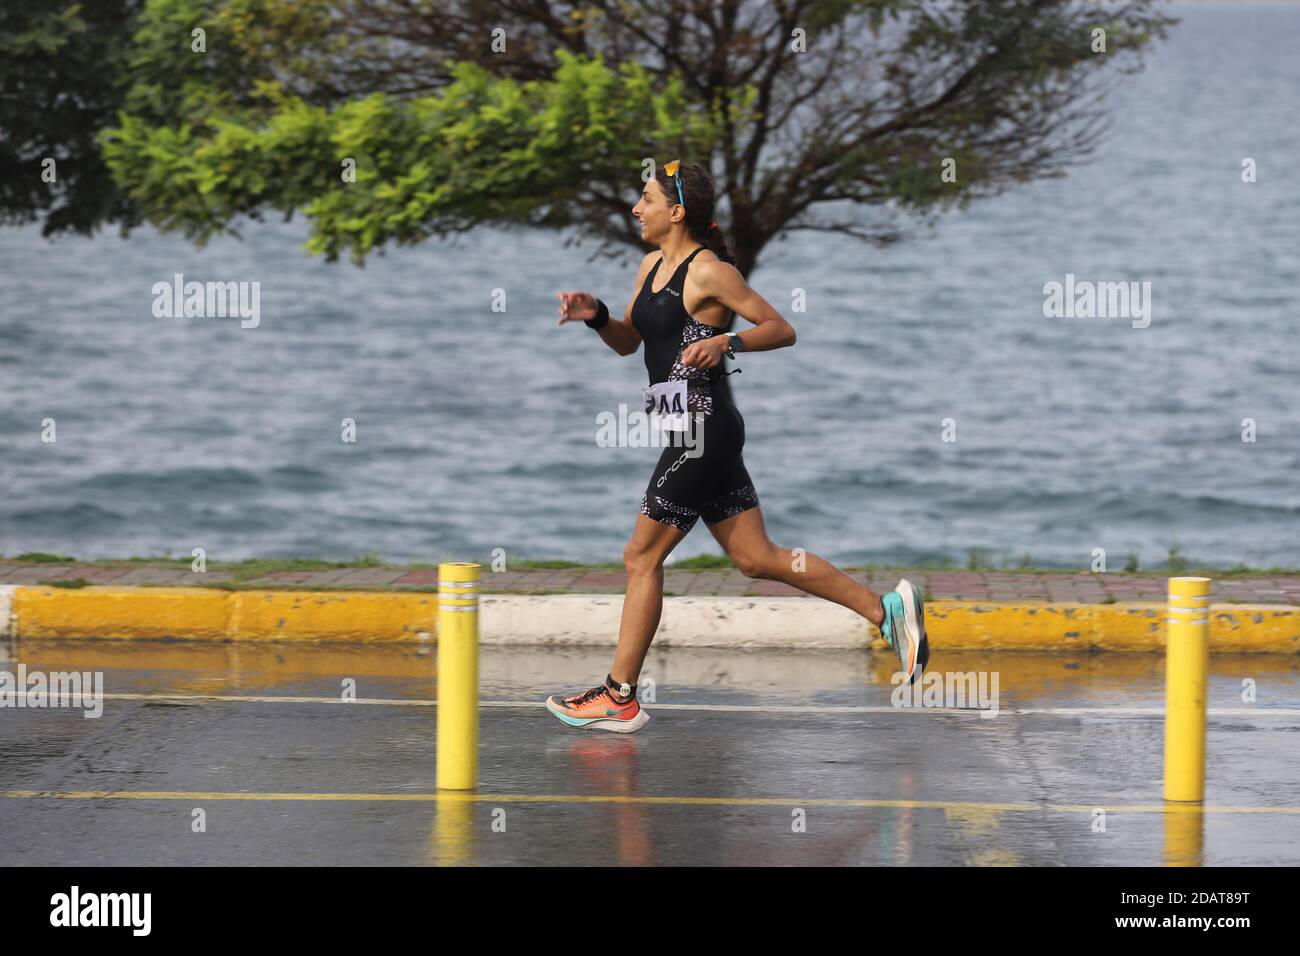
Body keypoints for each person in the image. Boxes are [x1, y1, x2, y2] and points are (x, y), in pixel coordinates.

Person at [548, 159, 927, 732]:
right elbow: (630, 344)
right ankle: (887, 612)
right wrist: (596, 315)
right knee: (757, 559)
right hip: (689, 431)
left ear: (675, 211)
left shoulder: (710, 272)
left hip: (703, 431)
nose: (635, 208)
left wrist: (729, 341)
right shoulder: (650, 266)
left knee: (641, 555)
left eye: (645, 199)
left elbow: (780, 327)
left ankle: (619, 695)